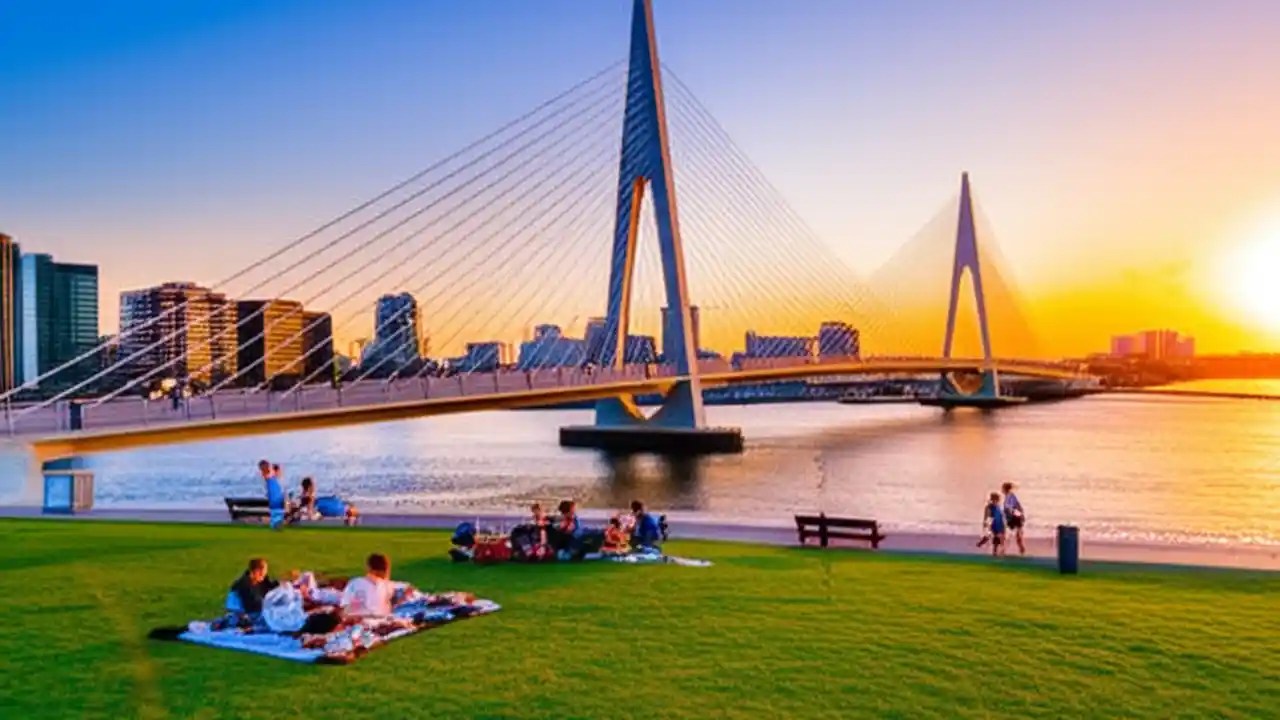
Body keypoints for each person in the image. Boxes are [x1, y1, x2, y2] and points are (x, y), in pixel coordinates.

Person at [341, 553, 397, 619]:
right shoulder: (386, 586)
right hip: (365, 621)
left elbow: (346, 610)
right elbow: (347, 611)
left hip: (371, 621)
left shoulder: (355, 583)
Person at [259, 460, 286, 530]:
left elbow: (277, 473)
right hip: (275, 499)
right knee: (276, 513)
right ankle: (276, 525)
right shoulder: (268, 476)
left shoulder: (270, 477)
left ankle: (276, 525)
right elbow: (274, 473)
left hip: (276, 498)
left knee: (277, 513)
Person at [1002, 482, 1027, 556]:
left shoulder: (1009, 497)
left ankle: (1003, 550)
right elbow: (1018, 506)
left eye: (1003, 489)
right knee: (1017, 535)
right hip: (1015, 517)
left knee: (1008, 534)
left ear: (1005, 489)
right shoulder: (1011, 496)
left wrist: (1010, 516)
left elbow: (1009, 508)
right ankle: (1021, 549)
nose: (1002, 490)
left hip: (1014, 517)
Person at [979, 492, 1006, 557]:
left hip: (999, 524)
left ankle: (998, 551)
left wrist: (1003, 525)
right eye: (995, 499)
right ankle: (995, 550)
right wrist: (986, 524)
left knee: (998, 538)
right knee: (994, 537)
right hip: (994, 524)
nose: (996, 501)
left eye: (997, 500)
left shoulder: (998, 507)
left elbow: (1001, 516)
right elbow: (987, 516)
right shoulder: (989, 507)